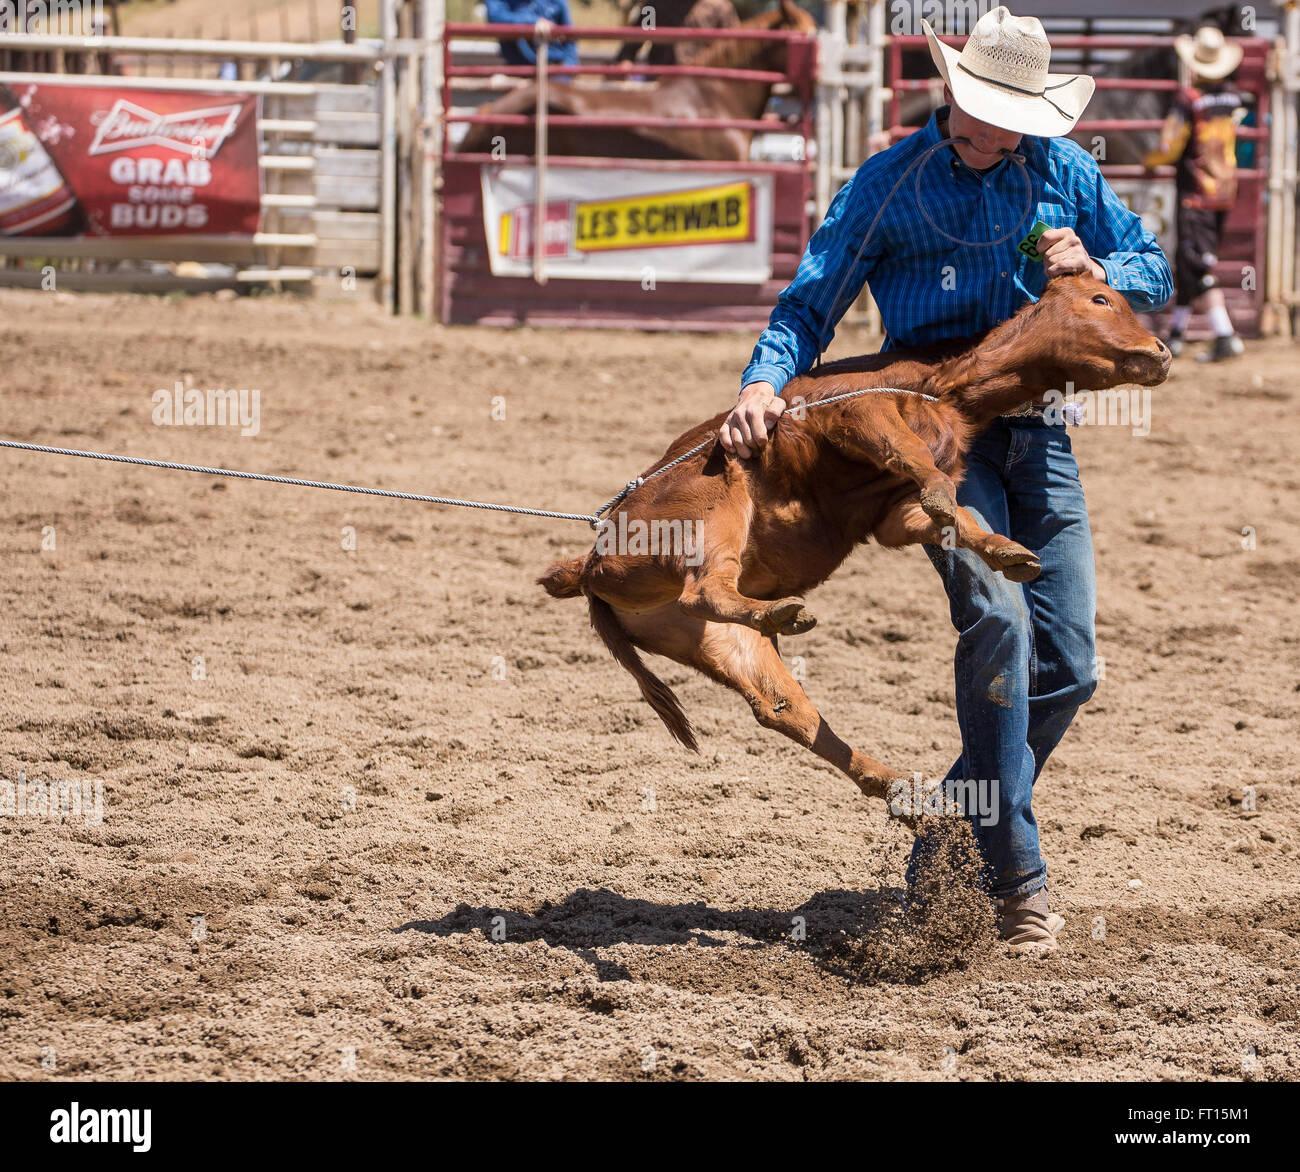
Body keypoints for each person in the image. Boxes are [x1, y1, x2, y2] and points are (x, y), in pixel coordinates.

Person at [719, 7, 1172, 952]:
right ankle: (1018, 883)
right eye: (985, 109)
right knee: (999, 626)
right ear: (956, 94)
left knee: (1074, 666)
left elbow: (1152, 269)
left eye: (1014, 117)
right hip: (929, 436)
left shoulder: (1065, 172)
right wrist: (764, 379)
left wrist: (1101, 263)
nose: (998, 131)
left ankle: (951, 833)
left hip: (1038, 428)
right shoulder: (889, 181)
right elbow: (815, 298)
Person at [1143, 25, 1248, 362]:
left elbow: (1168, 145)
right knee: (1192, 263)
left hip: (1195, 192)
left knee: (1198, 265)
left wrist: (1151, 161)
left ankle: (1226, 334)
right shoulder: (1232, 98)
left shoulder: (1189, 99)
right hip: (1223, 190)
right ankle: (1177, 332)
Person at [615, 0, 740, 68]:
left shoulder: (719, 8)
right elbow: (631, 47)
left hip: (703, 85)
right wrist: (625, 63)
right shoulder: (655, 7)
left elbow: (736, 49)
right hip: (662, 82)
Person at [484, 0, 580, 69]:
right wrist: (533, 22)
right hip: (517, 67)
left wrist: (570, 64)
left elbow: (569, 35)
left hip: (555, 66)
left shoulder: (558, 2)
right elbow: (496, 17)